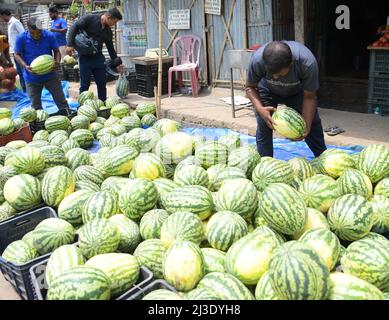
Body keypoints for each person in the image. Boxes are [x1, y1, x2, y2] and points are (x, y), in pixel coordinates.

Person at [246, 41, 327, 158]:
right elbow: (250, 87)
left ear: (291, 64)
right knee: (264, 123)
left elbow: (309, 97)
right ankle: (265, 163)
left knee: (312, 124)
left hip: (298, 92)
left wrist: (307, 126)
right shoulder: (258, 60)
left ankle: (323, 158)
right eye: (272, 73)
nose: (275, 77)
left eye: (279, 74)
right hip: (268, 91)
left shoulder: (307, 63)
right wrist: (260, 109)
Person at [66, 8, 125, 102]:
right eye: (114, 22)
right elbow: (74, 27)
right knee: (85, 84)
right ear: (109, 17)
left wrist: (118, 64)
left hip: (98, 59)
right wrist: (69, 44)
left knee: (102, 84)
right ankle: (83, 106)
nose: (114, 24)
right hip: (85, 58)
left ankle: (102, 103)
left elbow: (111, 49)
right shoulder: (90, 18)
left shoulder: (107, 31)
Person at [14, 17, 70, 113]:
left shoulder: (49, 35)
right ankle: (39, 124)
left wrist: (56, 62)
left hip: (50, 75)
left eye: (39, 32)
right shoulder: (21, 38)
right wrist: (25, 66)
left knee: (61, 101)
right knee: (35, 106)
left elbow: (56, 51)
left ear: (42, 29)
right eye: (33, 33)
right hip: (32, 77)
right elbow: (16, 54)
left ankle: (67, 115)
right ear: (28, 30)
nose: (36, 35)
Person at [0, 9, 26, 91]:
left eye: (1, 17)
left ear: (4, 15)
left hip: (19, 51)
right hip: (14, 52)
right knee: (19, 72)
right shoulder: (10, 23)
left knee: (22, 71)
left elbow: (23, 34)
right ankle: (24, 89)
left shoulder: (15, 22)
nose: (2, 19)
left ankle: (27, 89)